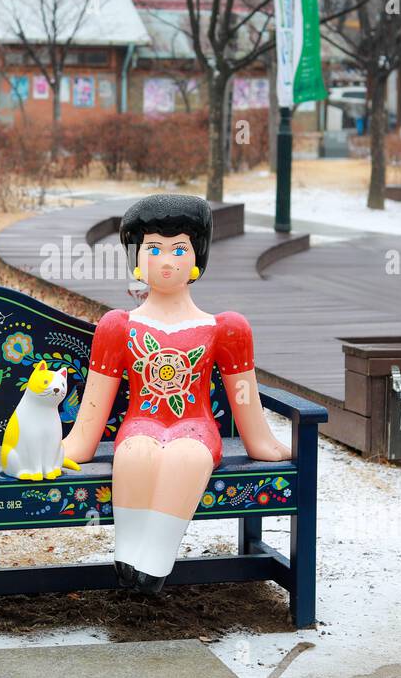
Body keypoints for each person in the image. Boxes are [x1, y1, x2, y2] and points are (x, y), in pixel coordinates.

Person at [62, 194, 293, 594]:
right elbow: (92, 415)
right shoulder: (119, 327)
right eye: (153, 248)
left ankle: (156, 559)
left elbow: (244, 401)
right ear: (137, 259)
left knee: (186, 457)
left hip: (195, 427)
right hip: (141, 424)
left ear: (196, 258)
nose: (166, 260)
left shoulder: (224, 328)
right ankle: (128, 554)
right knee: (135, 454)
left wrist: (265, 444)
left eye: (179, 248)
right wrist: (69, 446)